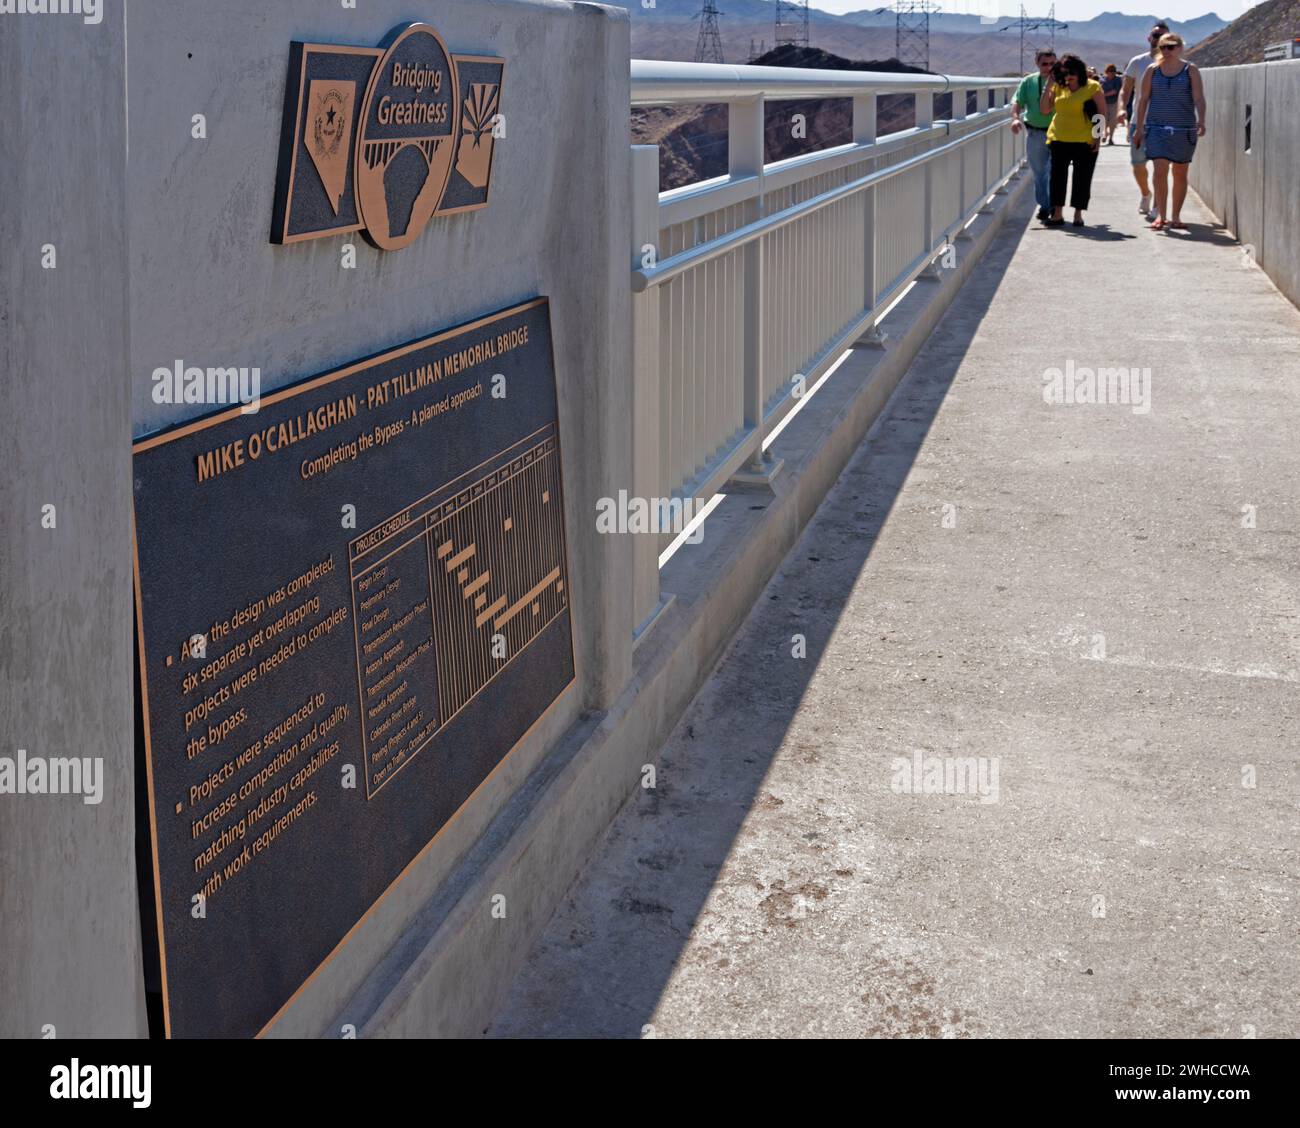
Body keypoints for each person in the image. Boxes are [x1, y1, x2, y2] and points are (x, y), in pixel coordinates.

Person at [1132, 33, 1206, 231]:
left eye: (1171, 47)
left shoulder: (1190, 70)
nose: (1166, 50)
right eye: (1163, 47)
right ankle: (1161, 216)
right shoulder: (1152, 70)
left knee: (1180, 172)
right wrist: (1139, 128)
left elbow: (1199, 97)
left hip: (1184, 128)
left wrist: (1202, 120)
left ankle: (1176, 216)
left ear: (1180, 48)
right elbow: (1143, 99)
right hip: (1156, 128)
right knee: (1160, 170)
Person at [1040, 54, 1103, 227]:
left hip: (1085, 140)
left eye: (1073, 71)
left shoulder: (1092, 87)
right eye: (1066, 72)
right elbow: (1045, 109)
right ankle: (1057, 215)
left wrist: (1098, 138)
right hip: (1059, 138)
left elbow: (1100, 114)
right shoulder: (1059, 87)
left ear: (1080, 71)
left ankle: (1078, 214)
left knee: (1082, 178)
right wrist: (1049, 86)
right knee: (1057, 178)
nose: (1069, 75)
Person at [1119, 22, 1170, 220]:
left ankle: (1158, 207)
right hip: (1138, 122)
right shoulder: (1137, 62)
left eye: (1163, 36)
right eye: (1156, 35)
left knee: (1161, 167)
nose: (1158, 39)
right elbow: (1126, 88)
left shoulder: (1173, 64)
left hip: (1164, 123)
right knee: (1138, 164)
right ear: (1149, 38)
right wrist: (1122, 108)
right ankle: (1145, 194)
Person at [1010, 49, 1057, 223]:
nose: (1049, 67)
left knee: (1054, 171)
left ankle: (1053, 206)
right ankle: (1044, 205)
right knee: (1039, 173)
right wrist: (1015, 119)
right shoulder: (1028, 82)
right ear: (1037, 64)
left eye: (1053, 63)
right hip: (1035, 133)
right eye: (1045, 64)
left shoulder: (1062, 82)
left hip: (1058, 133)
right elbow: (1017, 102)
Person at [1101, 64, 1123, 144]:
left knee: (1112, 121)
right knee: (1105, 120)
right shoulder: (1103, 80)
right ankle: (1105, 134)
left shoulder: (1118, 80)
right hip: (1104, 103)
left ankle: (1111, 138)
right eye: (1110, 71)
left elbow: (1115, 91)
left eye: (1113, 71)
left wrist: (1104, 94)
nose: (1112, 73)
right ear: (1106, 72)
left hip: (1114, 102)